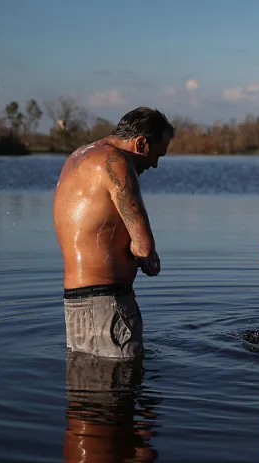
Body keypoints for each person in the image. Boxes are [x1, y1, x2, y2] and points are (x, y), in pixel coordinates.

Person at [53, 106, 175, 359]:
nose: (154, 165)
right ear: (141, 143)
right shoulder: (116, 163)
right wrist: (149, 260)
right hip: (107, 304)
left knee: (86, 386)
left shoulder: (79, 155)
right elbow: (143, 248)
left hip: (76, 302)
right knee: (119, 387)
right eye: (157, 155)